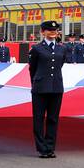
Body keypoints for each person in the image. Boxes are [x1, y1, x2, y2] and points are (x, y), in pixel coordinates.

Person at [27, 20, 66, 159]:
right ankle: (41, 148)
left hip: (56, 87)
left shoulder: (62, 48)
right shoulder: (37, 48)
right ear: (43, 32)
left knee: (53, 119)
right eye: (49, 30)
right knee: (38, 118)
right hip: (40, 87)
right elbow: (32, 68)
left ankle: (50, 147)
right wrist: (36, 83)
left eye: (55, 30)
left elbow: (60, 65)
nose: (53, 32)